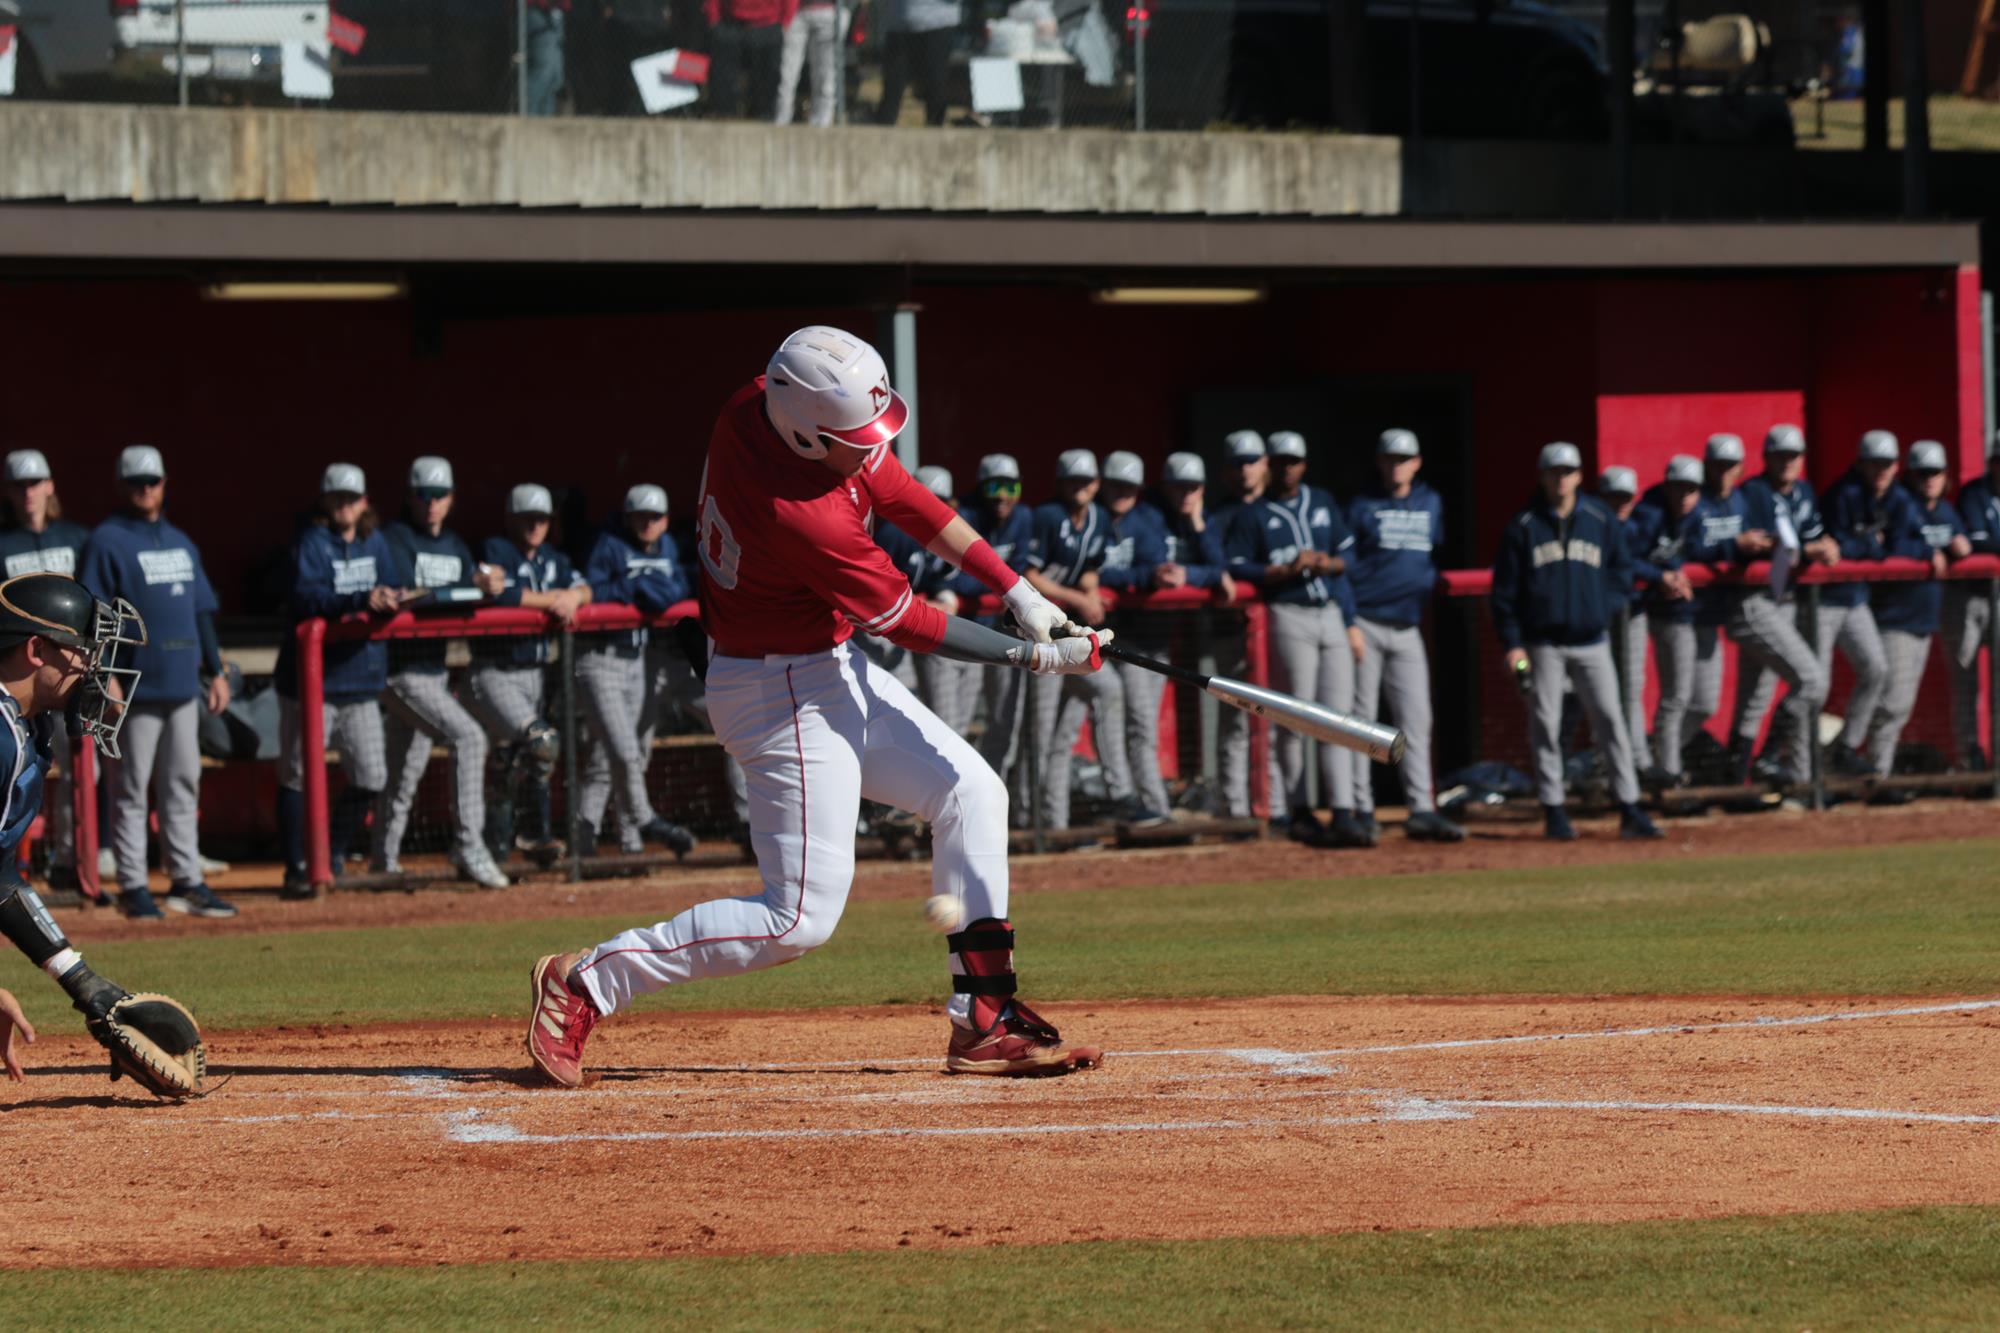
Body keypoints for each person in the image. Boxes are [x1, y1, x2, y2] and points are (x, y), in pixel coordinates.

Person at [525, 325, 1108, 1088]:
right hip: (778, 692)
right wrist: (1035, 655)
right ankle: (587, 980)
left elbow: (906, 496)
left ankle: (984, 1017)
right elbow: (909, 622)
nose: (871, 449)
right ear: (805, 434)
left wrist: (1017, 589)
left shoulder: (758, 403)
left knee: (973, 793)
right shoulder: (802, 513)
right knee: (796, 920)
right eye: (854, 438)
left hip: (821, 664)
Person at [0, 573, 167, 1069]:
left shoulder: (26, 724)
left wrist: (80, 981)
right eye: (82, 651)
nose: (93, 667)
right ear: (36, 650)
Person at [77, 446, 237, 921]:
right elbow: (94, 616)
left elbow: (201, 611)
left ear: (165, 483)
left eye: (152, 481)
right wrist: (104, 676)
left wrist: (216, 670)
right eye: (136, 483)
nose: (145, 490)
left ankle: (186, 880)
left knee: (183, 785)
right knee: (129, 790)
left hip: (183, 686)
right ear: (121, 486)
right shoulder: (106, 540)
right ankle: (133, 885)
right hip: (134, 691)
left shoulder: (181, 541)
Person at [1491, 442, 1662, 842]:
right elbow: (1504, 594)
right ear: (1542, 476)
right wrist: (1513, 644)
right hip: (1543, 643)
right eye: (1554, 472)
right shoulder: (1524, 525)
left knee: (1611, 721)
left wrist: (1604, 607)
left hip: (1592, 640)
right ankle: (1554, 809)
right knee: (1546, 725)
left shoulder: (1599, 518)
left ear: (1580, 475)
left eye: (1568, 472)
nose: (1561, 479)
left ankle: (1629, 806)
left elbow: (1621, 571)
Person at [375, 457, 513, 889]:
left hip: (433, 671)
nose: (432, 503)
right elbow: (408, 595)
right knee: (469, 737)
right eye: (424, 495)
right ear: (410, 498)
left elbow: (474, 592)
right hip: (400, 669)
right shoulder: (394, 538)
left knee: (405, 771)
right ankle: (469, 844)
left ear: (451, 499)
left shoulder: (454, 544)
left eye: (440, 495)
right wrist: (466, 588)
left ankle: (382, 861)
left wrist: (489, 584)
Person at [1225, 430, 1368, 847]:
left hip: (1329, 611)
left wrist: (1328, 562)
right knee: (1295, 715)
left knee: (1339, 718)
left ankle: (1343, 810)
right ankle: (1299, 808)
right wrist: (1284, 569)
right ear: (1269, 465)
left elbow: (1351, 555)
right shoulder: (1254, 513)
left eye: (1294, 461)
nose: (1287, 468)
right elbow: (1238, 566)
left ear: (1303, 464)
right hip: (1289, 611)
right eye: (1280, 462)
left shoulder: (1321, 501)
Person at [274, 464, 403, 898]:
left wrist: (391, 597)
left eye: (352, 498)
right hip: (310, 683)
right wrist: (360, 598)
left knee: (372, 775)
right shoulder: (311, 542)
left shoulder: (375, 541)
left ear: (364, 501)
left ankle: (330, 852)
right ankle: (297, 868)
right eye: (338, 498)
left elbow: (392, 583)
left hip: (360, 678)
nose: (345, 505)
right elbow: (305, 597)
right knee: (296, 775)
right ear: (326, 501)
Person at [1018, 449, 1147, 832]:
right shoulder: (1047, 515)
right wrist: (1080, 598)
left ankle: (1066, 816)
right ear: (1060, 484)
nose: (1080, 487)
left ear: (1096, 484)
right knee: (1040, 731)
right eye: (1072, 480)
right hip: (1037, 633)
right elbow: (1029, 576)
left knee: (1099, 697)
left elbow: (1090, 568)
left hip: (1070, 634)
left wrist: (1088, 593)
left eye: (1086, 480)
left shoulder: (1099, 518)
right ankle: (1027, 816)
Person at [1345, 429, 1463, 843]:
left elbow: (1435, 552)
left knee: (1416, 718)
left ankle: (1422, 808)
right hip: (1366, 621)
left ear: (1417, 463)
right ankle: (1361, 808)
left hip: (1408, 625)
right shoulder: (1362, 505)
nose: (1397, 466)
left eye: (1404, 459)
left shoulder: (1431, 502)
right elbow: (1345, 565)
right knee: (1360, 720)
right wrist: (1349, 622)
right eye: (1390, 459)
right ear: (1379, 463)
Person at [574, 484, 699, 859]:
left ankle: (598, 842)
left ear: (665, 520)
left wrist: (643, 587)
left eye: (655, 517)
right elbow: (594, 590)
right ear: (627, 517)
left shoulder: (668, 546)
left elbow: (677, 589)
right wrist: (638, 585)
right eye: (641, 517)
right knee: (624, 752)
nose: (648, 524)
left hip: (636, 659)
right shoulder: (608, 545)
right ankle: (644, 821)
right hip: (599, 658)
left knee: (616, 755)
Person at [473, 484, 592, 863]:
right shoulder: (496, 549)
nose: (535, 526)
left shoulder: (552, 558)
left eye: (541, 519)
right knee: (542, 742)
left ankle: (500, 844)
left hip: (535, 674)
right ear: (510, 519)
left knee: (510, 757)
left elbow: (586, 588)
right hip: (496, 672)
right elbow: (502, 594)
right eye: (527, 519)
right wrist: (552, 600)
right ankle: (533, 832)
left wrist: (573, 597)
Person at [0, 449, 92, 888]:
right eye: (20, 485)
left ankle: (72, 861)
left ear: (50, 485)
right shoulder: (4, 543)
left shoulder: (77, 538)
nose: (29, 493)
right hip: (23, 676)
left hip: (53, 677)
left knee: (75, 774)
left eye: (35, 483)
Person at [1729, 424, 1836, 788]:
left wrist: (1828, 546)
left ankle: (1735, 781)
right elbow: (1765, 544)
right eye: (1780, 456)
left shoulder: (1804, 491)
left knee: (1755, 697)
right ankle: (1769, 756)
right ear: (1766, 458)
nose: (1787, 462)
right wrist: (1806, 550)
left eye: (1793, 456)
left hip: (1784, 600)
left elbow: (1813, 536)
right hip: (1755, 599)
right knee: (1811, 681)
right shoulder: (1752, 493)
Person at [1862, 440, 1970, 799]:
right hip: (1895, 617)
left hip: (1924, 619)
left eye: (1935, 473)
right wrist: (1927, 551)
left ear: (1945, 476)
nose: (1929, 480)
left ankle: (1878, 773)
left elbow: (1963, 540)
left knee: (1900, 704)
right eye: (1922, 473)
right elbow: (1887, 545)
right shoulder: (1900, 505)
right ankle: (1875, 779)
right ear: (1909, 475)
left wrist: (1961, 543)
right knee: (1892, 703)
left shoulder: (1945, 510)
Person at [1659, 434, 1768, 787]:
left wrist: (1763, 546)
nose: (1723, 472)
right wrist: (1732, 545)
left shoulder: (1740, 500)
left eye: (1730, 465)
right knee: (1677, 698)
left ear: (1741, 468)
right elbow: (1689, 547)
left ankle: (1659, 754)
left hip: (1711, 615)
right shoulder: (1695, 500)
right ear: (1706, 466)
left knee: (1705, 704)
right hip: (1680, 612)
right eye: (1717, 465)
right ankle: (1663, 768)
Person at [1821, 431, 1917, 778]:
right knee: (1815, 685)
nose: (1881, 470)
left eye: (1887, 464)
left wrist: (1870, 546)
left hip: (1855, 599)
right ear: (1860, 463)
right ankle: (1802, 771)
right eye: (1874, 463)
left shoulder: (1897, 497)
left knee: (1876, 670)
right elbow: (1838, 545)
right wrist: (1874, 546)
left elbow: (1908, 541)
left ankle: (1846, 747)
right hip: (1822, 600)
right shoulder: (1842, 494)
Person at [1155, 451, 1238, 815]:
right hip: (1149, 633)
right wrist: (1206, 575)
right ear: (1166, 488)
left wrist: (1193, 570)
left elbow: (1219, 567)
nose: (1186, 494)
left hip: (1201, 633)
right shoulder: (1152, 518)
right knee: (1146, 720)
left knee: (1221, 712)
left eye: (1193, 487)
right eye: (1179, 487)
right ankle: (1155, 805)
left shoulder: (1209, 521)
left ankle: (1222, 798)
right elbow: (1155, 569)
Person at [1095, 451, 1173, 823]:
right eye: (1116, 485)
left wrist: (1132, 578)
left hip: (1145, 637)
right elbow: (1086, 571)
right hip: (1106, 636)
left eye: (1129, 487)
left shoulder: (1147, 520)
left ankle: (1152, 806)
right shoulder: (1092, 518)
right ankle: (1136, 802)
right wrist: (1135, 577)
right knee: (1125, 718)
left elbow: (1154, 568)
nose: (1122, 493)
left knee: (1142, 723)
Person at [958, 454, 1036, 782]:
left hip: (1005, 635)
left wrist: (996, 583)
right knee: (957, 721)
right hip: (965, 633)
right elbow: (957, 581)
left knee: (1005, 720)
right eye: (994, 487)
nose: (1002, 496)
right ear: (981, 489)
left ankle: (995, 790)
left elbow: (1020, 571)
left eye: (1010, 487)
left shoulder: (1023, 517)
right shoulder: (964, 517)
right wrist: (1003, 585)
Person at [1620, 458, 1697, 785]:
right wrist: (1659, 576)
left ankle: (1665, 767)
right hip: (1630, 609)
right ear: (1666, 486)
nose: (1684, 496)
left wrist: (1672, 574)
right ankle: (1642, 766)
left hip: (1669, 609)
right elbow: (1623, 559)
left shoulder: (1694, 514)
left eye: (1691, 489)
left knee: (1683, 695)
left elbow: (1702, 551)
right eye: (1678, 487)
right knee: (1631, 688)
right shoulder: (1646, 516)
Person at [1212, 430, 1273, 821]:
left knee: (1281, 719)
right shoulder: (1219, 517)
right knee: (1235, 717)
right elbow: (1212, 564)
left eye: (1251, 461)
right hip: (1233, 630)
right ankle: (1235, 808)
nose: (1245, 470)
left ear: (1265, 464)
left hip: (1280, 628)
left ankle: (1279, 806)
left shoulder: (1281, 508)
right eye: (1237, 464)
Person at [1947, 434, 1999, 772]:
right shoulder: (1974, 493)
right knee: (1965, 682)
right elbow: (1978, 541)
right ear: (1993, 463)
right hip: (1967, 598)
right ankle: (1970, 760)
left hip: (1998, 596)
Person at [872, 0, 957, 125]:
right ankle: (883, 129)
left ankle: (936, 127)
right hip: (898, 27)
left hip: (937, 26)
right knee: (893, 84)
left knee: (935, 82)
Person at [708, 0, 795, 118]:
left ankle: (763, 115)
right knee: (724, 76)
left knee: (767, 78)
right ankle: (723, 114)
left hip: (768, 24)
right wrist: (713, 18)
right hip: (731, 24)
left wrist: (786, 21)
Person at [774, 0, 847, 124]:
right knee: (788, 72)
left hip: (830, 12)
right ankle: (782, 117)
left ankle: (823, 120)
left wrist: (845, 12)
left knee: (826, 72)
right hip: (797, 12)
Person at [525, 0, 571, 115]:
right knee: (543, 73)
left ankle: (545, 117)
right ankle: (529, 114)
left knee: (556, 77)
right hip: (539, 14)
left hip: (555, 15)